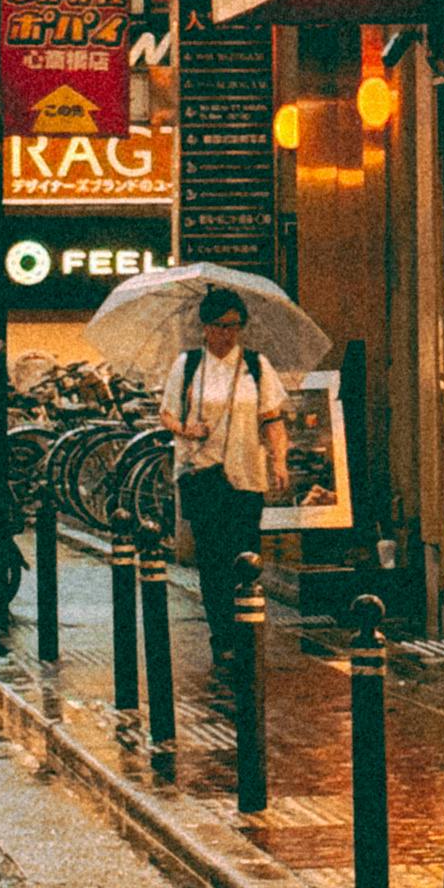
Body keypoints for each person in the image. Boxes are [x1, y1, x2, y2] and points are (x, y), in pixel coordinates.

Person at [163, 283, 292, 669]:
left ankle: (246, 632)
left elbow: (272, 417)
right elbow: (166, 414)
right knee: (213, 561)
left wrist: (279, 460)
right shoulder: (187, 366)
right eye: (219, 325)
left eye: (234, 326)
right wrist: (188, 430)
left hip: (246, 476)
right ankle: (222, 636)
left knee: (247, 558)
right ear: (204, 327)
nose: (226, 333)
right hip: (203, 475)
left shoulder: (256, 365)